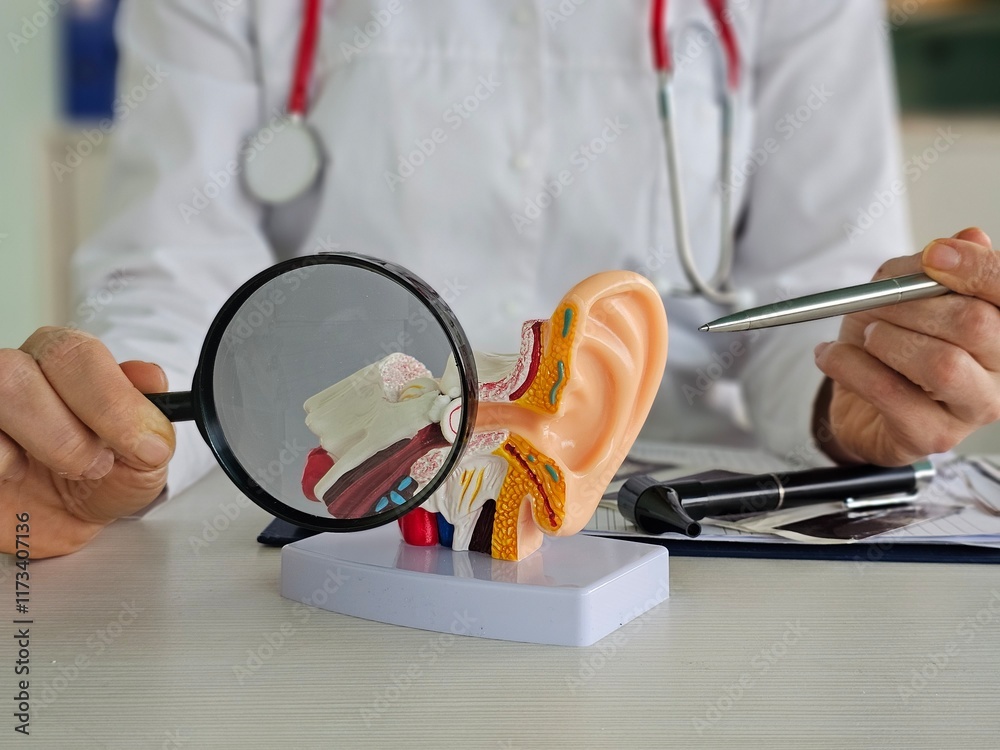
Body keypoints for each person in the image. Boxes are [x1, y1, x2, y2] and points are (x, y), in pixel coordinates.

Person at [1, 0, 998, 558]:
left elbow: (813, 293)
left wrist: (855, 393)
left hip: (675, 521)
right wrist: (117, 431)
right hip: (328, 508)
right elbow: (174, 266)